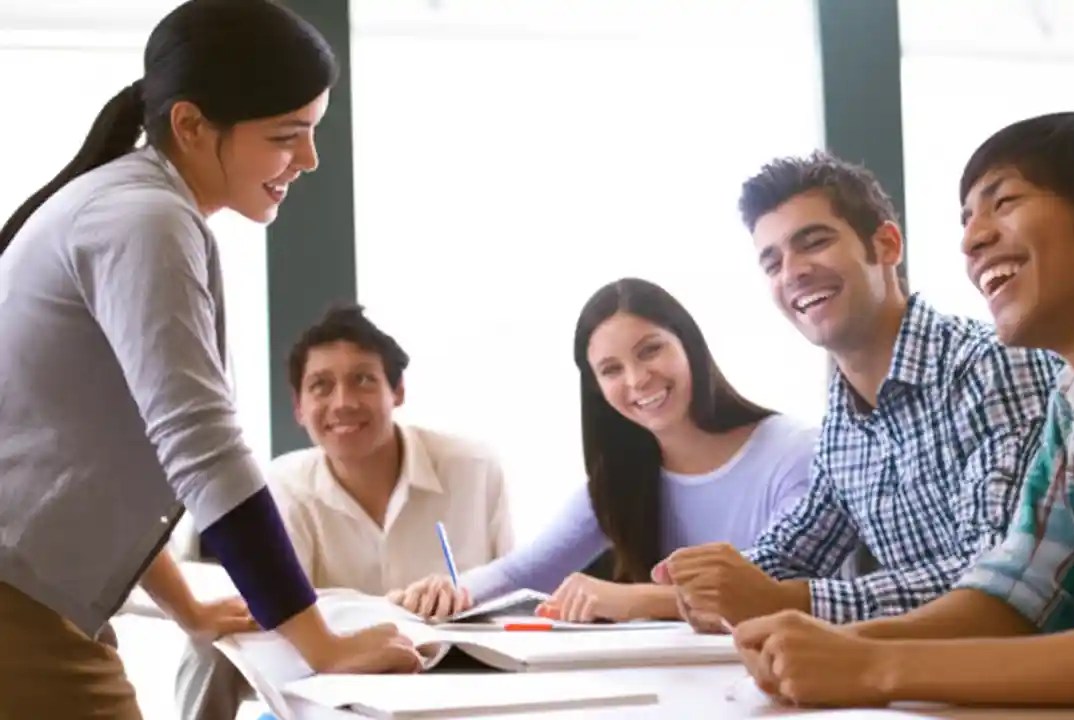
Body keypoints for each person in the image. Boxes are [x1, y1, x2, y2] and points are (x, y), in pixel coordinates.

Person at [731, 111, 1074, 718]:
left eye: (1005, 202)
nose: (971, 241)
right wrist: (839, 645)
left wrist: (875, 666)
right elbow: (1012, 596)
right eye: (967, 220)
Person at [0, 2, 418, 716]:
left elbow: (118, 459)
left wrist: (191, 605)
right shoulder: (145, 218)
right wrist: (319, 641)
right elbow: (200, 443)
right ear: (192, 125)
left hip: (39, 596)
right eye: (288, 135)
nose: (309, 160)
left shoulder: (131, 204)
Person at [654, 152, 1061, 630]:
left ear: (887, 245)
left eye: (814, 242)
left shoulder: (994, 366)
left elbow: (996, 579)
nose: (793, 273)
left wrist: (790, 599)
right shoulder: (843, 418)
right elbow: (794, 551)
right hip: (919, 687)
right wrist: (700, 584)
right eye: (772, 262)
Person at [393, 278, 817, 623]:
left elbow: (773, 591)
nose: (636, 379)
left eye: (650, 350)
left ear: (687, 343)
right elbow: (522, 572)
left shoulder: (791, 453)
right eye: (611, 370)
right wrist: (451, 591)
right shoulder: (621, 480)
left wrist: (633, 600)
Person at [175, 304, 512, 720]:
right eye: (321, 386)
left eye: (364, 380)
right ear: (298, 407)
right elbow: (275, 617)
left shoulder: (474, 468)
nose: (344, 403)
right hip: (334, 696)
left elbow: (513, 596)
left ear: (398, 391)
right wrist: (388, 609)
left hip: (458, 694)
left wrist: (466, 594)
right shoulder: (282, 486)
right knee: (210, 641)